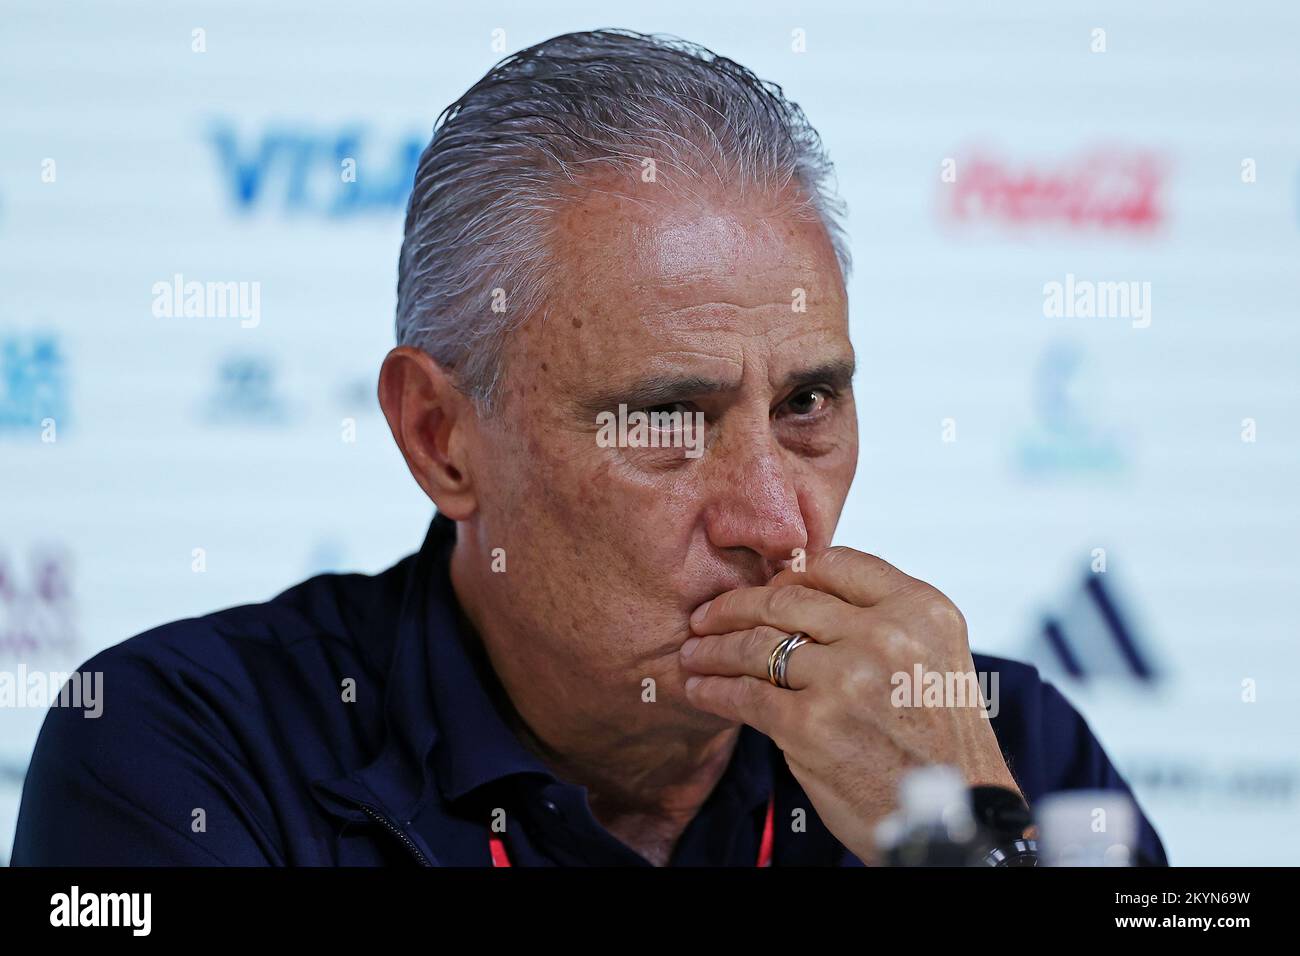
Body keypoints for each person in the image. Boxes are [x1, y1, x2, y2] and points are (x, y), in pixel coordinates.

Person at [11, 29, 1165, 867]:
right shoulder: (195, 748)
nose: (775, 519)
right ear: (440, 435)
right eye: (667, 418)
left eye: (808, 401)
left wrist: (964, 851)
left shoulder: (998, 745)